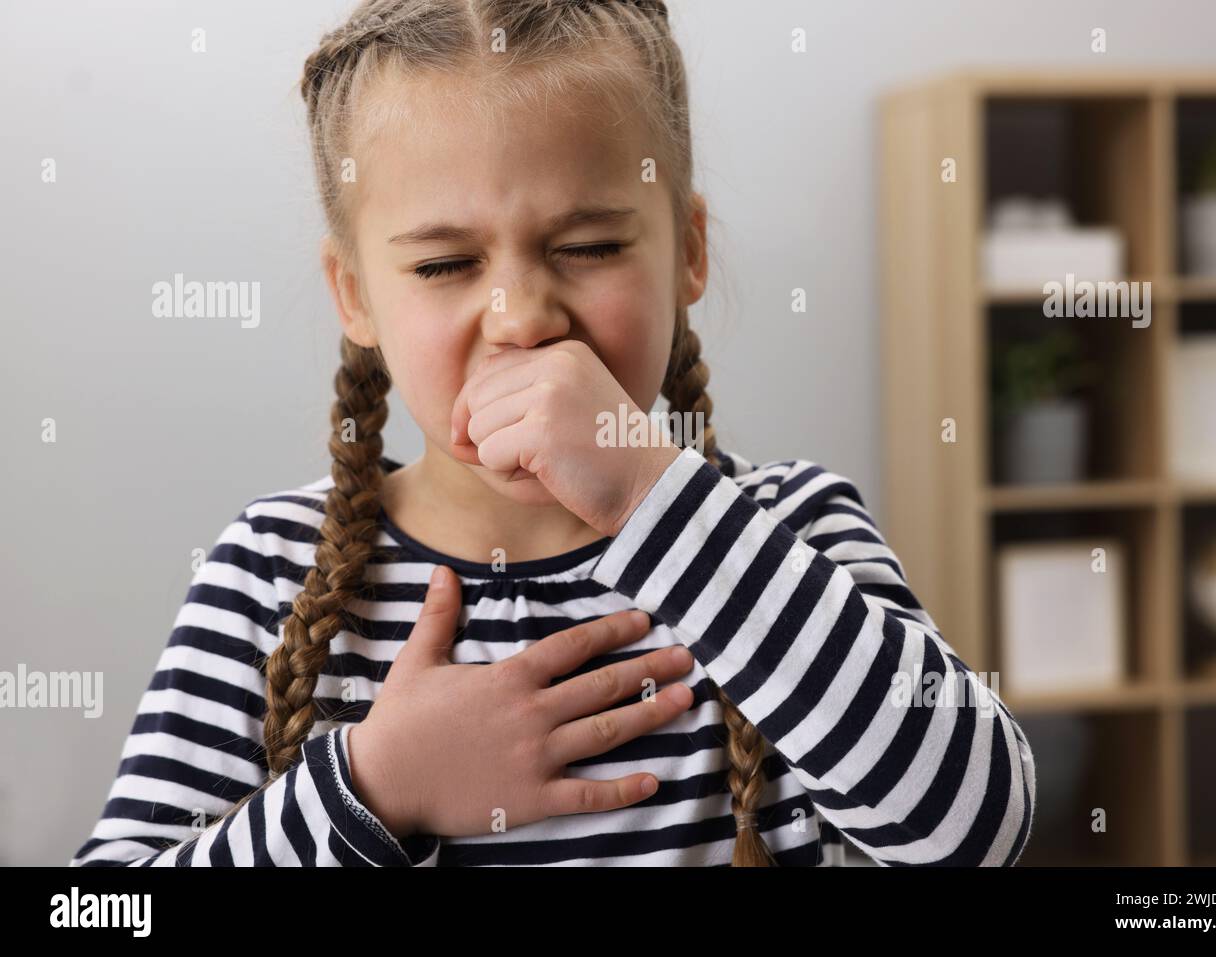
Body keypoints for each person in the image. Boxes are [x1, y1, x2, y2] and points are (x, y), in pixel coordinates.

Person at [71, 0, 1034, 867]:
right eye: (446, 264)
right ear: (355, 295)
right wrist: (372, 784)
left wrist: (653, 498)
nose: (522, 316)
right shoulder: (267, 572)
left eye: (588, 247)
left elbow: (977, 826)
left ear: (688, 251)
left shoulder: (786, 525)